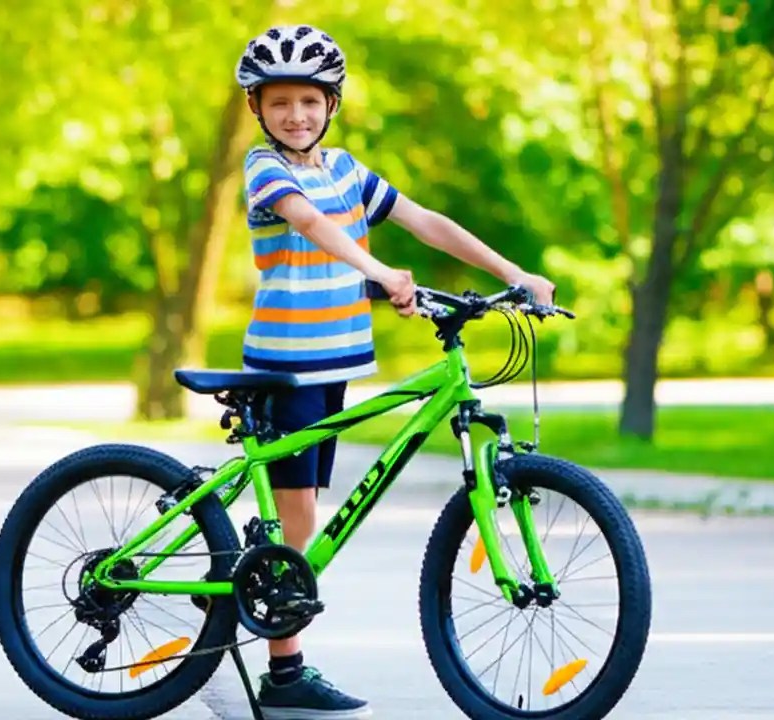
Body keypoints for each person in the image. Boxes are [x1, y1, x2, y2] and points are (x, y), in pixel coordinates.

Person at [234, 24, 556, 719]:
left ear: (333, 105)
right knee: (299, 522)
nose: (297, 115)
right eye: (281, 101)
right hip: (285, 366)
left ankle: (283, 648)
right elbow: (311, 223)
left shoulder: (347, 169)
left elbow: (424, 220)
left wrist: (512, 272)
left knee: (303, 519)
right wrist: (377, 271)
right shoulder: (265, 168)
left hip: (334, 362)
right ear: (257, 109)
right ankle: (285, 677)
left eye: (310, 101)